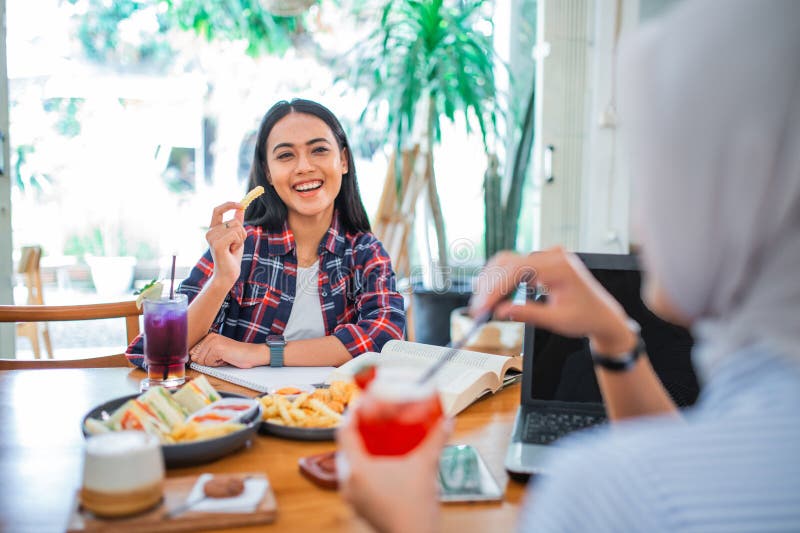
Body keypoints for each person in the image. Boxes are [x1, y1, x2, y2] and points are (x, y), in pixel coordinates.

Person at [336, 0, 800, 530]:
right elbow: (695, 483)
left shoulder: (600, 494)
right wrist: (614, 337)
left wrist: (405, 520)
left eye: (652, 180)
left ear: (737, 196)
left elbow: (661, 491)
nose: (639, 222)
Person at [126, 99, 405, 368]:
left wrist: (259, 353)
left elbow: (385, 337)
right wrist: (222, 280)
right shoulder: (241, 244)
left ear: (343, 160)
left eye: (319, 150)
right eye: (285, 155)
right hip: (242, 400)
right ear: (268, 172)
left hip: (332, 401)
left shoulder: (365, 251)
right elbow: (155, 352)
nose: (304, 167)